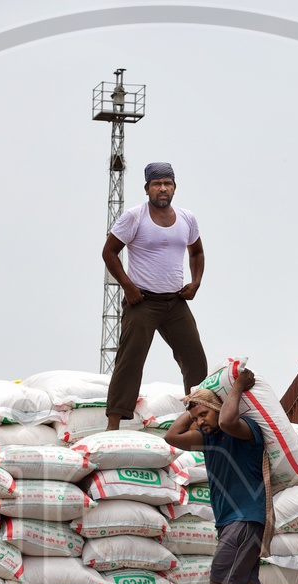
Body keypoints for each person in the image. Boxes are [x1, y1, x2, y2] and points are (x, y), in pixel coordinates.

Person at [164, 368, 278, 584]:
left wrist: (237, 386)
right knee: (245, 583)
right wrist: (193, 405)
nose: (200, 422)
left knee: (219, 576)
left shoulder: (245, 431)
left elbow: (227, 420)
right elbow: (172, 436)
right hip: (231, 521)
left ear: (218, 408)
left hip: (246, 517)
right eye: (197, 418)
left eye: (204, 414)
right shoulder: (208, 440)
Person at [101, 161, 207, 432]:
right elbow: (109, 252)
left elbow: (196, 252)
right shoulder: (134, 217)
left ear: (174, 188)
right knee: (130, 360)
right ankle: (113, 423)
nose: (163, 189)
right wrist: (127, 286)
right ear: (147, 188)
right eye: (157, 184)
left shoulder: (186, 218)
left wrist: (195, 283)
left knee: (195, 360)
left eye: (167, 184)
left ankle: (200, 419)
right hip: (142, 301)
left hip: (175, 302)